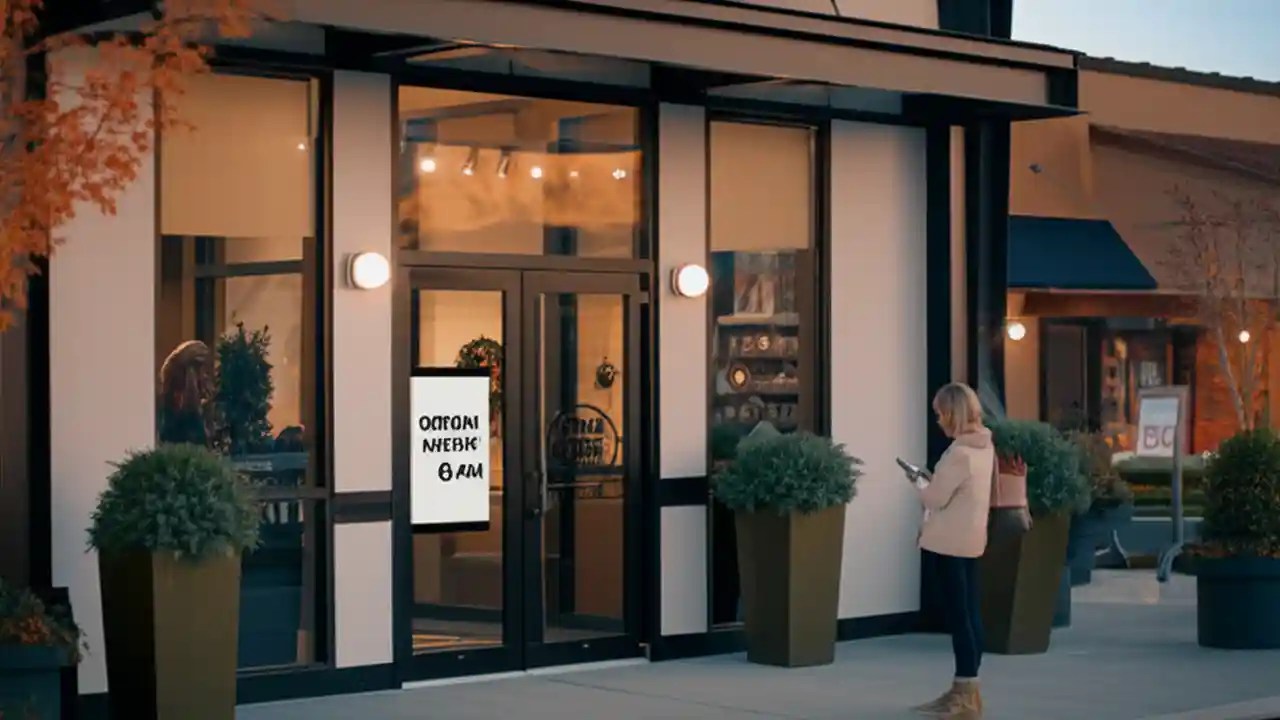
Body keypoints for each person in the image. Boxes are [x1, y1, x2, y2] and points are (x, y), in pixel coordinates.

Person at [912, 382, 994, 718]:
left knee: (959, 618)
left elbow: (934, 498)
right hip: (972, 539)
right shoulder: (984, 446)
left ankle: (966, 695)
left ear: (952, 413)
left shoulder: (959, 453)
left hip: (948, 542)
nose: (937, 420)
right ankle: (965, 689)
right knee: (970, 613)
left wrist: (919, 481)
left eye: (939, 413)